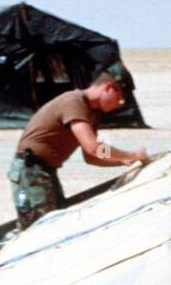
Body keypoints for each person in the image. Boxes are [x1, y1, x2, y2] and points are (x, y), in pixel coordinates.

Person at [9, 62, 148, 230]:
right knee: (42, 228)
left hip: (43, 171)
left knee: (53, 221)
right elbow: (93, 147)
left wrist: (122, 162)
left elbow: (91, 157)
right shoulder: (74, 102)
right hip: (31, 169)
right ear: (108, 87)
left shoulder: (92, 113)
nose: (119, 104)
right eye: (120, 97)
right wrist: (130, 155)